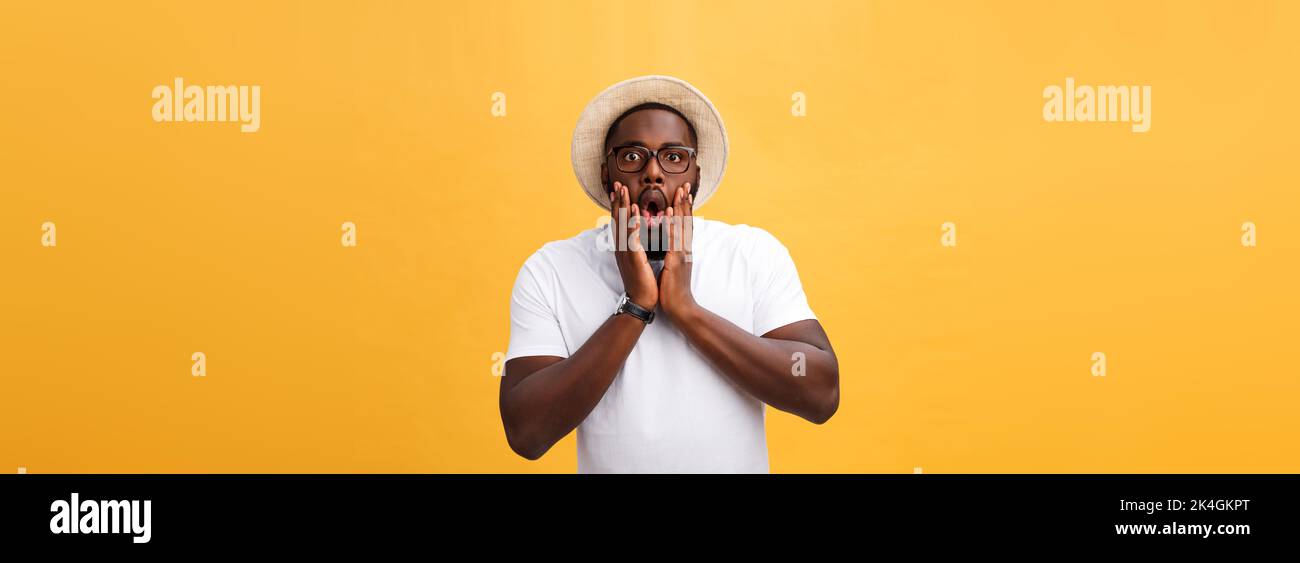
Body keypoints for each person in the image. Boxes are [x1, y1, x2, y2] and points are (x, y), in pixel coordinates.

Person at [499, 76, 839, 473]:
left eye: (674, 157)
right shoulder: (550, 269)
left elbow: (821, 394)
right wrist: (635, 306)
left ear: (695, 176)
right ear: (607, 176)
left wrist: (685, 308)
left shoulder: (752, 253)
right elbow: (526, 432)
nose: (653, 174)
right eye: (632, 157)